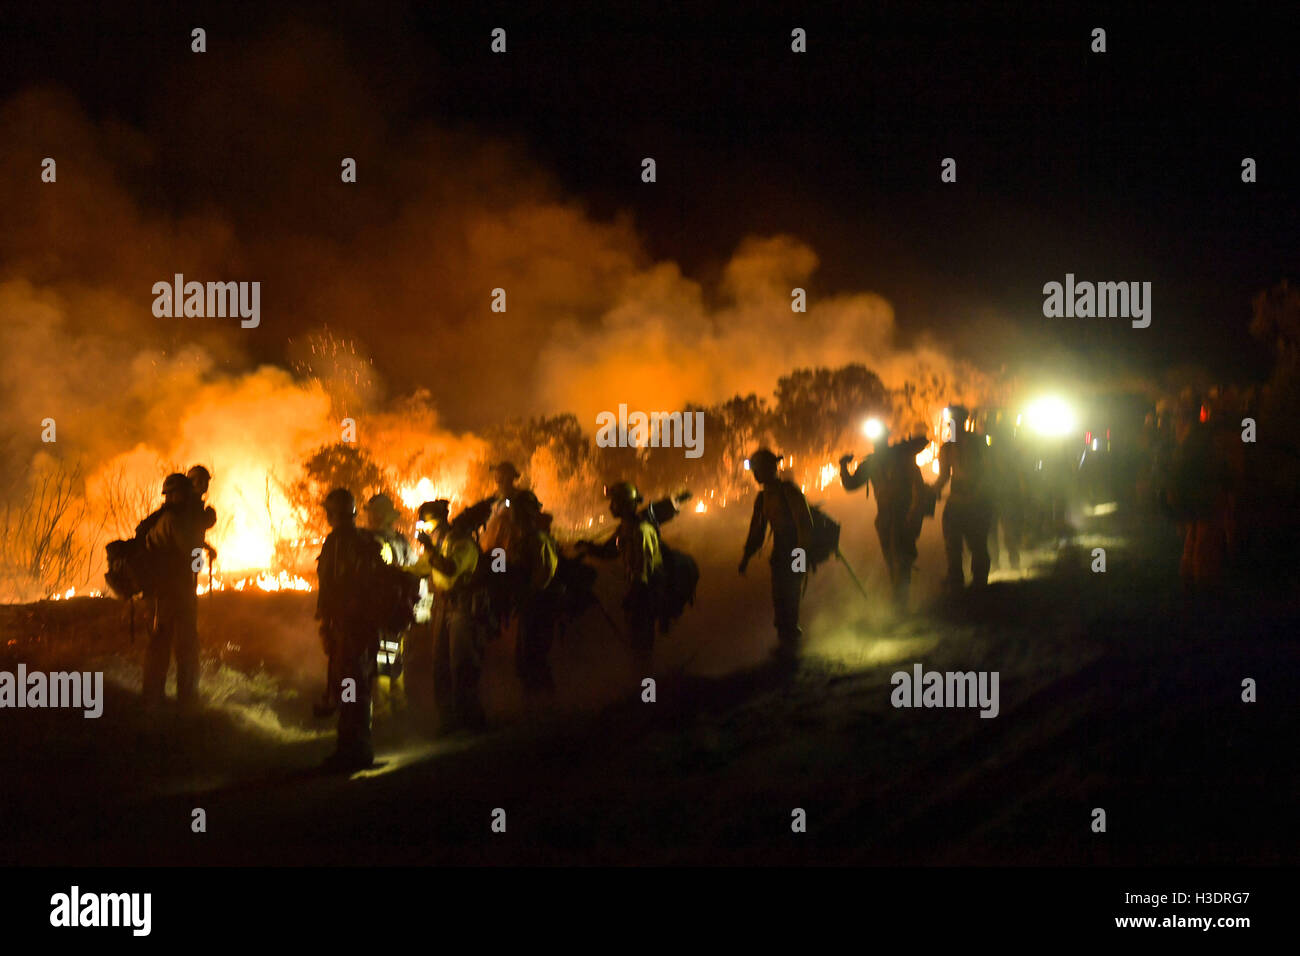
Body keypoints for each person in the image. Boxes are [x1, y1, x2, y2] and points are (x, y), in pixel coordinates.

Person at [576, 482, 690, 674]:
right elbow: (610, 550)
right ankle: (642, 676)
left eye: (615, 502)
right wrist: (589, 547)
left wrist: (635, 593)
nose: (611, 506)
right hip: (641, 588)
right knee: (636, 636)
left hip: (648, 590)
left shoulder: (640, 530)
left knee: (641, 638)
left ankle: (647, 681)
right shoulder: (626, 527)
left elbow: (643, 568)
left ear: (624, 504)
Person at [315, 488, 386, 771]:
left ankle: (349, 750)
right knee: (359, 685)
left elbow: (329, 587)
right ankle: (360, 747)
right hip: (366, 627)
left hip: (347, 627)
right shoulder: (366, 541)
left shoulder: (336, 543)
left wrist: (326, 623)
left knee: (348, 684)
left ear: (333, 514)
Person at [412, 501, 489, 732]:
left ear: (442, 519)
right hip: (443, 608)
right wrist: (393, 570)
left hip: (462, 609)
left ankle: (470, 720)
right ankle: (448, 721)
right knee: (440, 666)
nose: (426, 527)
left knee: (462, 664)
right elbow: (422, 568)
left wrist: (430, 549)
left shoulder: (462, 543)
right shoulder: (440, 543)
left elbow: (450, 569)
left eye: (429, 521)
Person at [839, 425, 930, 609]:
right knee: (891, 559)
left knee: (901, 559)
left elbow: (922, 441)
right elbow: (850, 485)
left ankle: (901, 605)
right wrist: (843, 466)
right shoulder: (872, 464)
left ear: (887, 439)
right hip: (885, 517)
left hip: (903, 514)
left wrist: (903, 445)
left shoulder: (901, 456)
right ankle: (899, 602)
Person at [139, 473, 205, 710]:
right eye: (183, 493)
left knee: (166, 648)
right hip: (168, 596)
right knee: (174, 648)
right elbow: (191, 552)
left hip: (169, 594)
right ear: (177, 495)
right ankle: (179, 700)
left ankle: (157, 699)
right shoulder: (173, 520)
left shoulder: (169, 518)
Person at [739, 448, 814, 659]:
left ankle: (792, 645)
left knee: (790, 596)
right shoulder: (762, 498)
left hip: (795, 549)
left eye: (758, 470)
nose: (755, 475)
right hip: (780, 552)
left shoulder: (788, 491)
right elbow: (757, 531)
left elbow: (804, 524)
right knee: (779, 598)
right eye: (754, 471)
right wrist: (746, 557)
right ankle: (785, 642)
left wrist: (801, 558)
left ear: (770, 469)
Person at [934, 405, 994, 591]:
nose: (951, 425)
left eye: (954, 421)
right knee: (952, 544)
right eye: (950, 422)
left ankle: (979, 582)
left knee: (977, 544)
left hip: (976, 502)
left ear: (962, 421)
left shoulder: (977, 443)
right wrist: (932, 490)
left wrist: (978, 490)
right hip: (957, 502)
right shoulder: (947, 447)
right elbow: (944, 476)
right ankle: (956, 579)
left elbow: (988, 470)